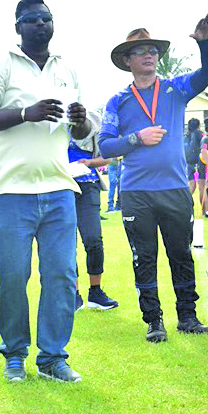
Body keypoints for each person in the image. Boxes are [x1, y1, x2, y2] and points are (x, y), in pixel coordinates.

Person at [0, 0, 90, 383]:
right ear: (18, 26)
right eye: (33, 19)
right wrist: (26, 113)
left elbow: (85, 134)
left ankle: (53, 357)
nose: (41, 24)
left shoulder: (67, 69)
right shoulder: (1, 65)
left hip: (58, 188)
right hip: (10, 193)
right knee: (11, 275)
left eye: (47, 19)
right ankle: (15, 354)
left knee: (62, 276)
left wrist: (81, 120)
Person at [99, 13, 208, 342]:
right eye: (140, 51)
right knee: (145, 258)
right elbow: (105, 145)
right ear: (127, 60)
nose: (149, 54)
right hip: (137, 193)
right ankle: (154, 320)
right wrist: (137, 138)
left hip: (176, 188)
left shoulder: (175, 89)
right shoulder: (118, 101)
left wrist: (204, 43)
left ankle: (188, 317)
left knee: (180, 253)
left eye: (152, 49)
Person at [69, 117, 119, 311]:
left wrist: (89, 162)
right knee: (67, 242)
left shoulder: (91, 122)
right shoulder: (51, 122)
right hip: (61, 186)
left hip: (88, 185)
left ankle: (96, 292)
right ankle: (73, 294)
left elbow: (107, 157)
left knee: (93, 239)